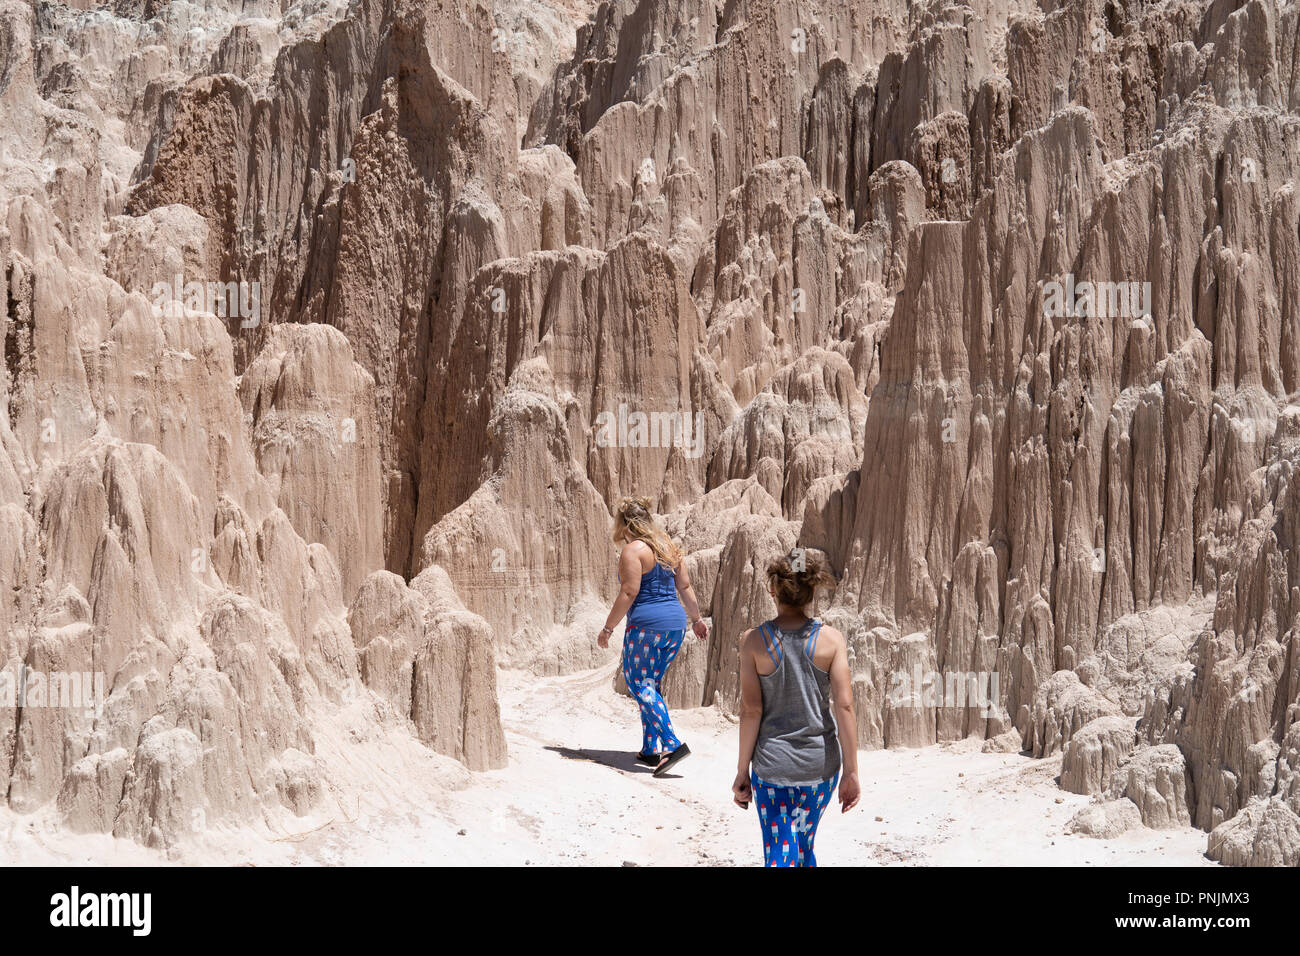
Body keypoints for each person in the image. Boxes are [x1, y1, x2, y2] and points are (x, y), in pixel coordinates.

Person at [732, 549, 860, 866]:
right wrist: (852, 771)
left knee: (780, 851)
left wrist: (741, 771)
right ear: (811, 590)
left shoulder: (754, 642)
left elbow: (751, 712)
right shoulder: (831, 640)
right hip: (820, 768)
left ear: (773, 590)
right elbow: (844, 706)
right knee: (802, 847)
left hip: (773, 769)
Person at [597, 496, 708, 776]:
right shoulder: (669, 548)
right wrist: (696, 619)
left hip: (647, 625)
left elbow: (628, 592)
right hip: (675, 625)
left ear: (625, 524)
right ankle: (650, 748)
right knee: (652, 683)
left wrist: (608, 628)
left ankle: (671, 744)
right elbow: (685, 587)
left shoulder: (633, 551)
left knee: (637, 683)